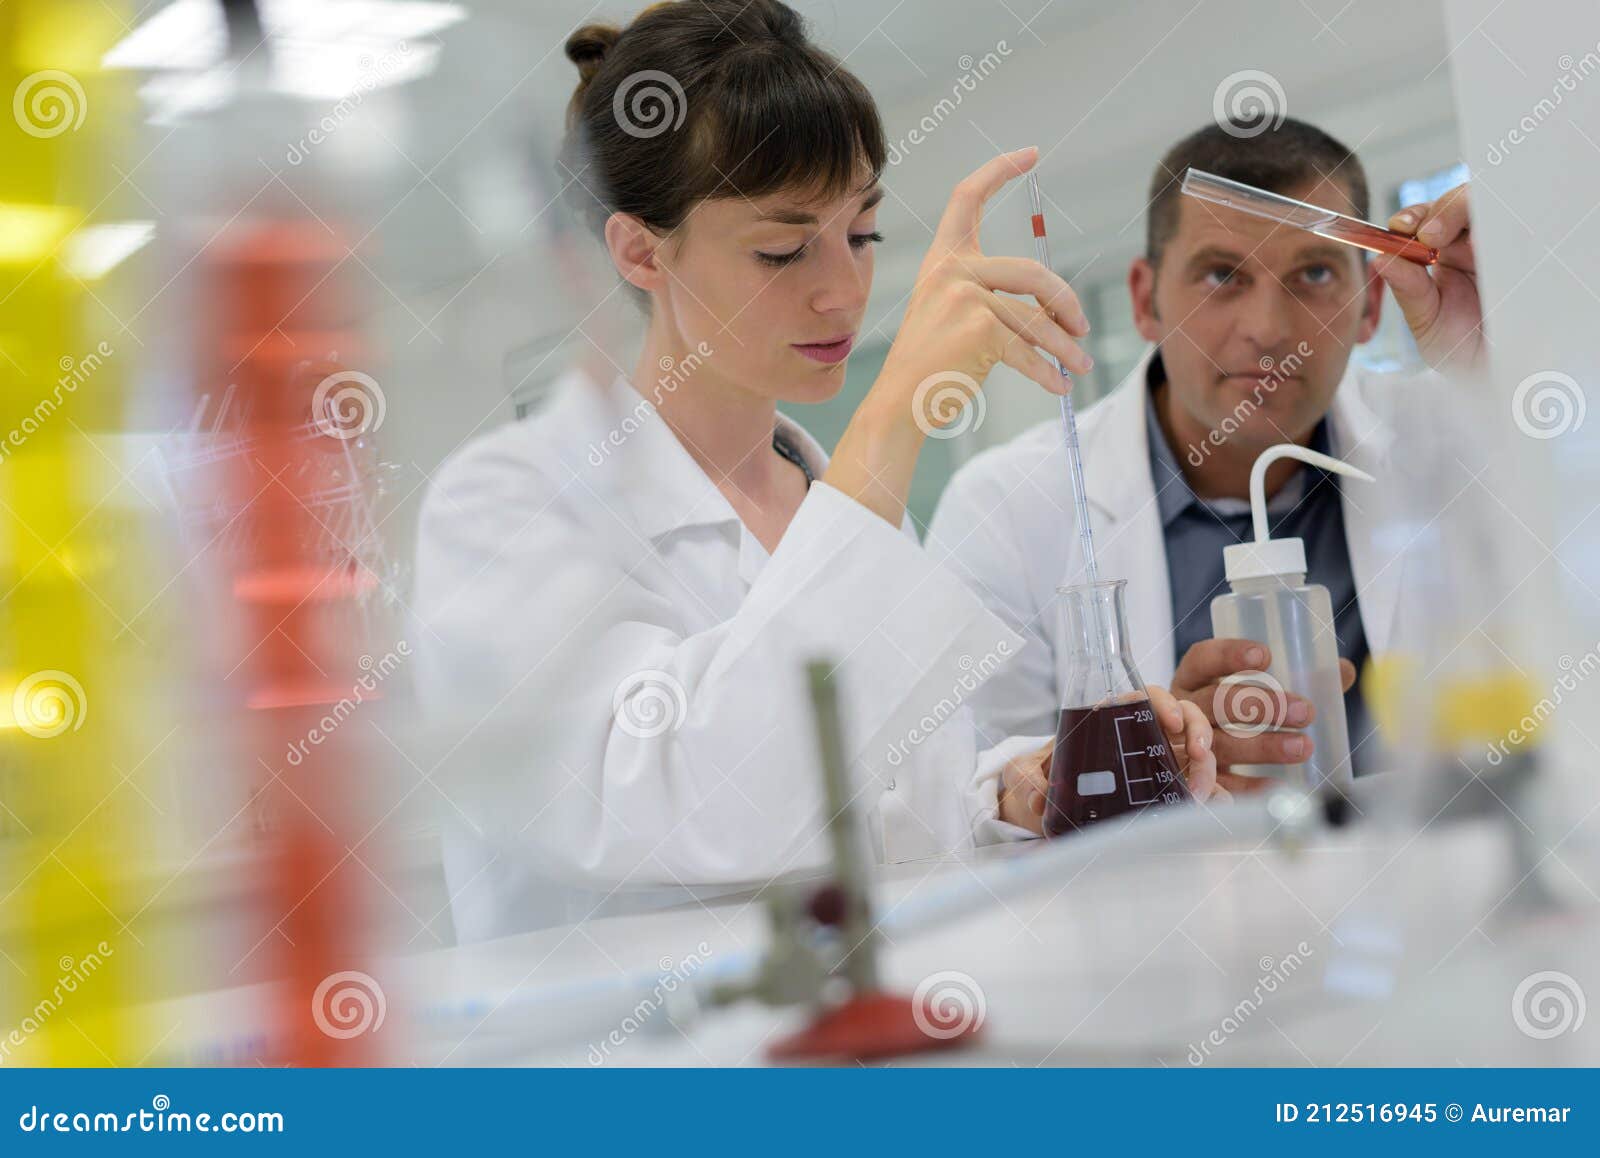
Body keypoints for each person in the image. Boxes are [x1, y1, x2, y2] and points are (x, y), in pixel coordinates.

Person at [411, 0, 1218, 940]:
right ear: (639, 250)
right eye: (783, 248)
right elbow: (701, 808)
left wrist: (1012, 792)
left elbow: (866, 812)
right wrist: (897, 415)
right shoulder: (508, 507)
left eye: (863, 233)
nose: (843, 288)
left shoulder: (827, 501)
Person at [928, 116, 1482, 787]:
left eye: (1313, 272)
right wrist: (1148, 764)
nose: (1268, 330)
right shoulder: (1007, 509)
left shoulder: (1462, 431)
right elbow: (966, 803)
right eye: (1222, 275)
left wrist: (1492, 356)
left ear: (1370, 305)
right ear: (1145, 300)